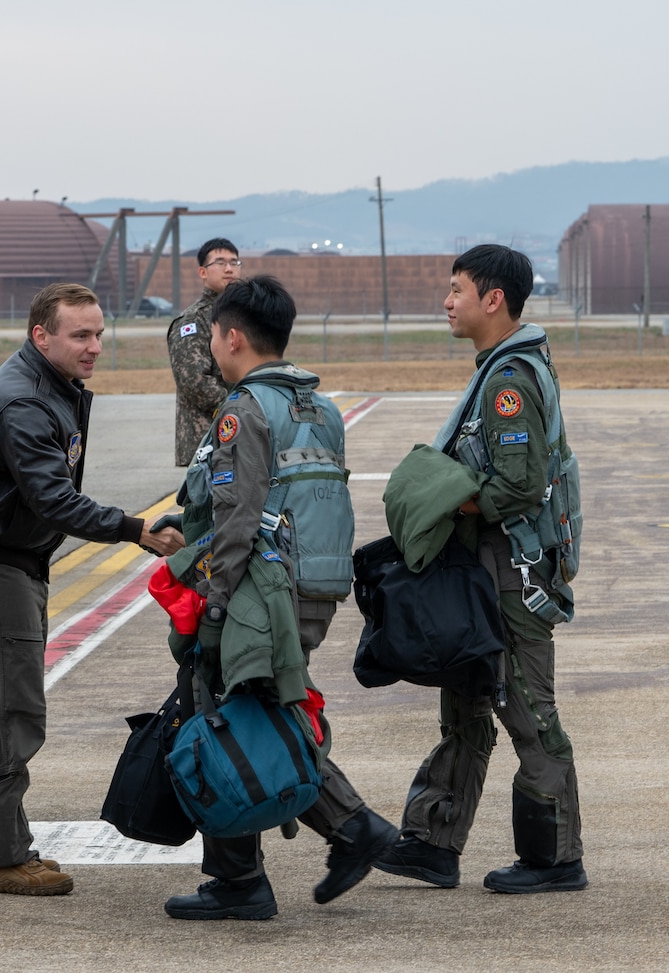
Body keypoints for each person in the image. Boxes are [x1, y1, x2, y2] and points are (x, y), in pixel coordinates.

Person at [162, 275, 396, 921]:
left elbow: (236, 517)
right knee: (257, 710)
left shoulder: (245, 409)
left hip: (258, 591)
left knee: (221, 714)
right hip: (312, 583)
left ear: (233, 336)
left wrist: (212, 598)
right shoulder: (317, 406)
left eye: (214, 333)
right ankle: (332, 835)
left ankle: (257, 873)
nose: (210, 343)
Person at [0, 282, 183, 895]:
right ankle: (1, 859)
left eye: (99, 332)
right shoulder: (24, 402)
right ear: (40, 335)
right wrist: (133, 530)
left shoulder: (52, 386)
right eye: (80, 334)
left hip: (6, 561)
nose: (95, 345)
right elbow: (52, 499)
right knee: (12, 713)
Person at [373, 244, 588, 894]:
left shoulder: (507, 382)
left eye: (458, 288)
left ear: (493, 299)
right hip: (484, 569)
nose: (448, 300)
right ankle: (433, 841)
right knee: (466, 702)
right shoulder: (499, 367)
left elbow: (518, 487)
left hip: (511, 572)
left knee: (527, 708)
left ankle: (555, 855)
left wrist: (450, 495)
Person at [167, 237, 241, 465]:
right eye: (220, 263)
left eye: (234, 262)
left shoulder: (242, 316)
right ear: (203, 272)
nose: (229, 269)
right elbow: (193, 380)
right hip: (206, 440)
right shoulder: (194, 320)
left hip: (241, 435)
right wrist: (240, 407)